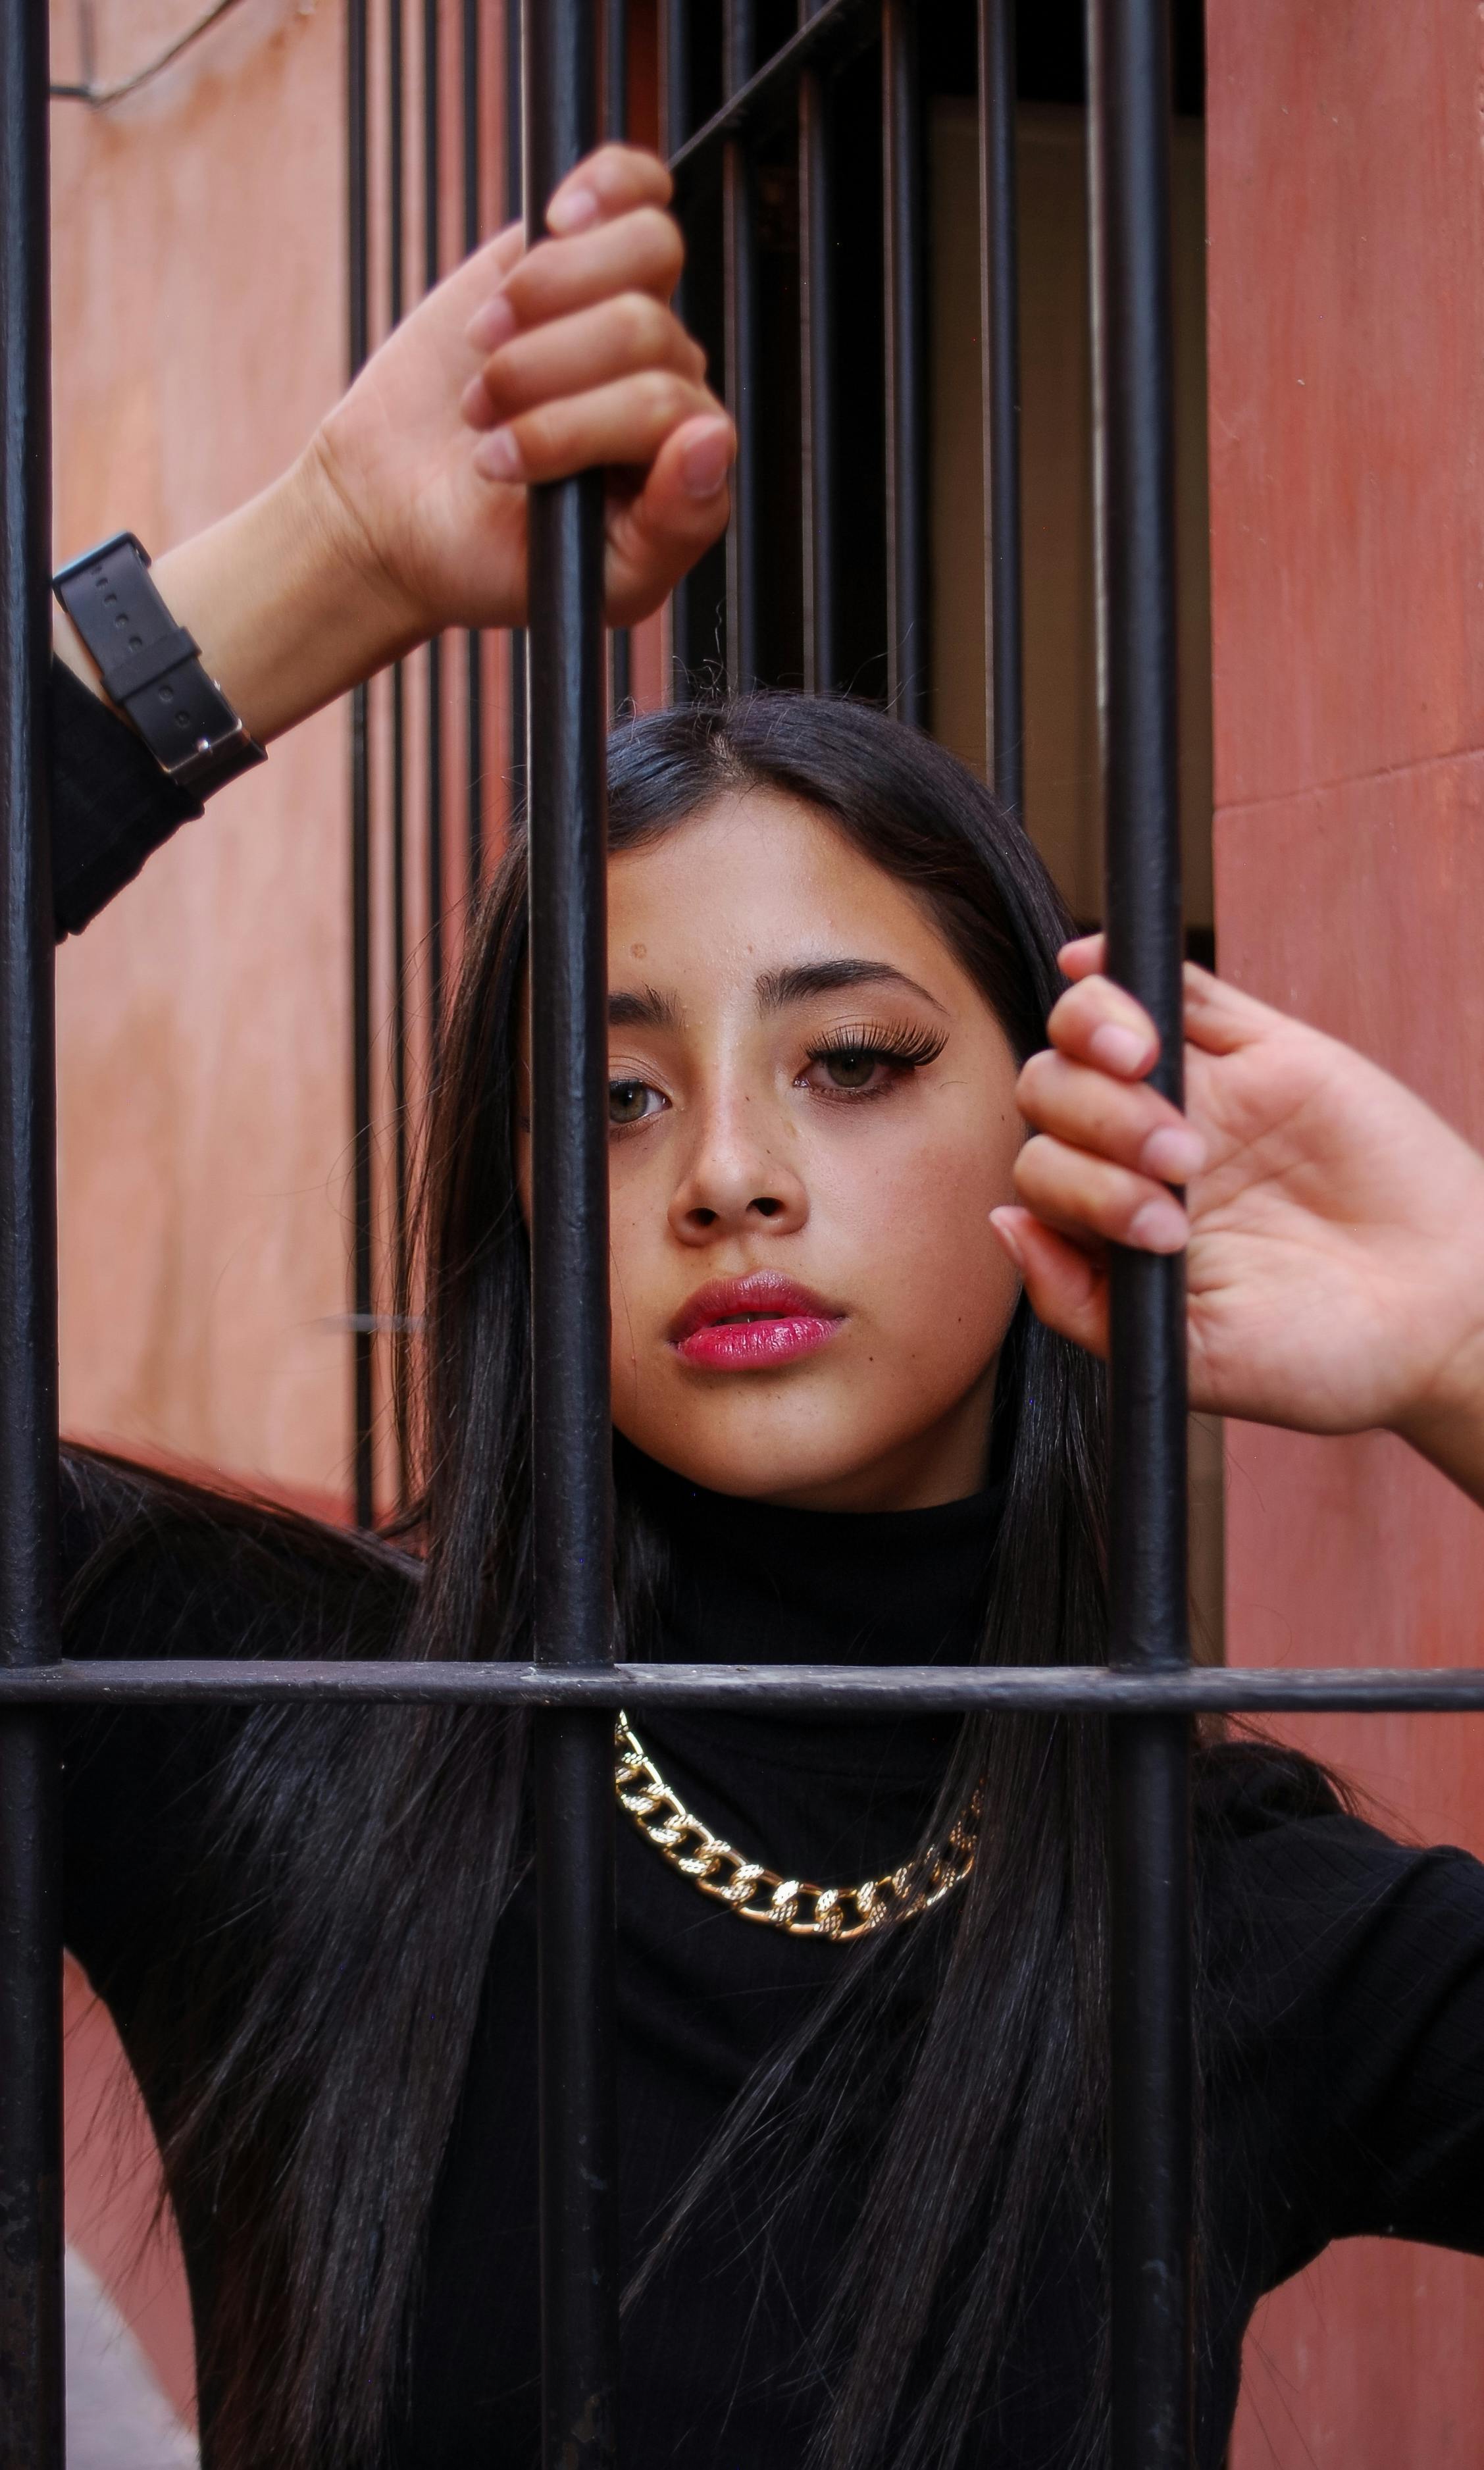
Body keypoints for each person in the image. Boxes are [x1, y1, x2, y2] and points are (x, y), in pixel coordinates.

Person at [47, 142, 1484, 2470]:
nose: (726, 1171)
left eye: (855, 1060)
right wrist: (316, 555)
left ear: (1051, 1112)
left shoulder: (1220, 1922)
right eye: (611, 1100)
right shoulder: (273, 1735)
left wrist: (1472, 1347)